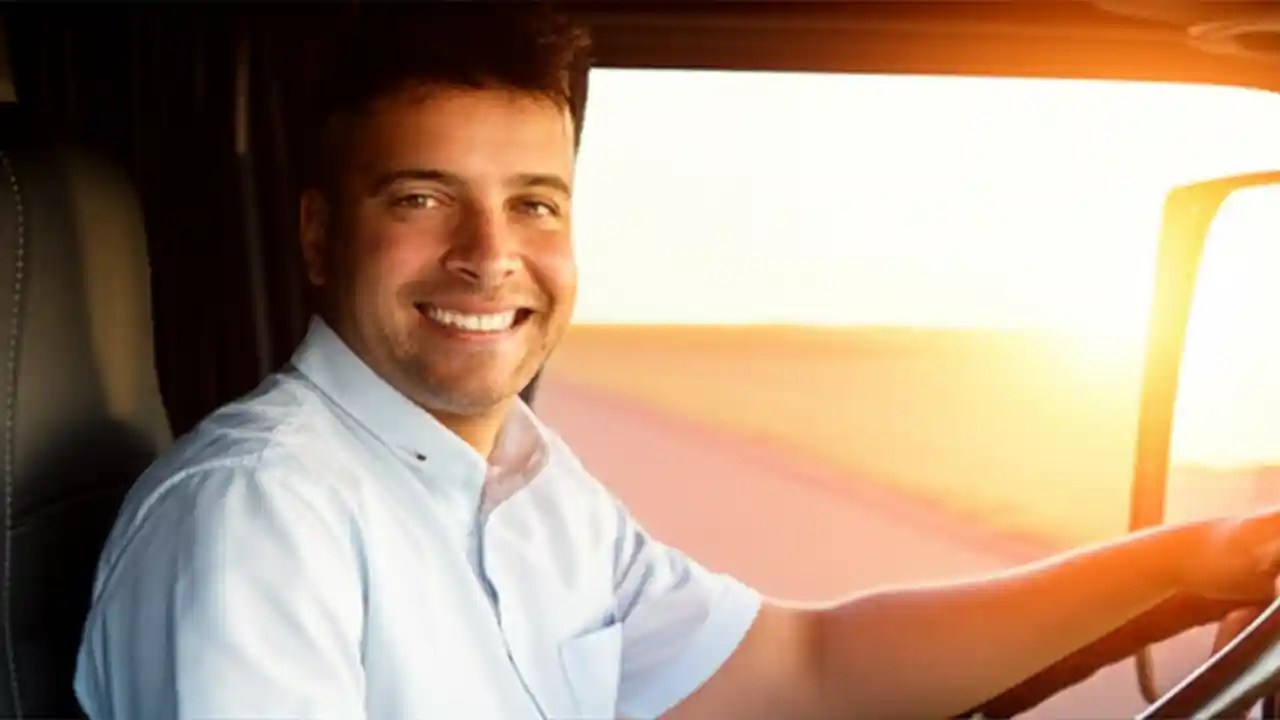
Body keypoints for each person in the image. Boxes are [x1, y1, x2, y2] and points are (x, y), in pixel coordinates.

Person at [73, 6, 1280, 719]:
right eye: (425, 197)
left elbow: (808, 666)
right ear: (320, 235)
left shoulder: (528, 487)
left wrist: (1192, 557)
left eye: (535, 204)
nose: (491, 258)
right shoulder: (257, 516)